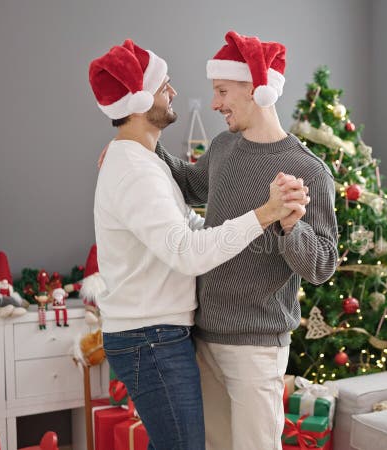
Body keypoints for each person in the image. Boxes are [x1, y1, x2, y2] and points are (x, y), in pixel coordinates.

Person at [88, 39, 309, 450]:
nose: (174, 92)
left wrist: (279, 222)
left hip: (175, 335)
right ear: (138, 100)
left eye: (222, 91)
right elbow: (187, 248)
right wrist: (264, 214)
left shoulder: (143, 162)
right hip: (153, 337)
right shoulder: (138, 169)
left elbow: (188, 224)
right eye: (164, 85)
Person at [154, 31, 339, 450]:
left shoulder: (309, 170)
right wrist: (144, 144)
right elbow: (189, 184)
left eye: (221, 91)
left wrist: (293, 227)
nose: (215, 103)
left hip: (257, 346)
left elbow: (323, 265)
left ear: (255, 88)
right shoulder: (223, 148)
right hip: (203, 335)